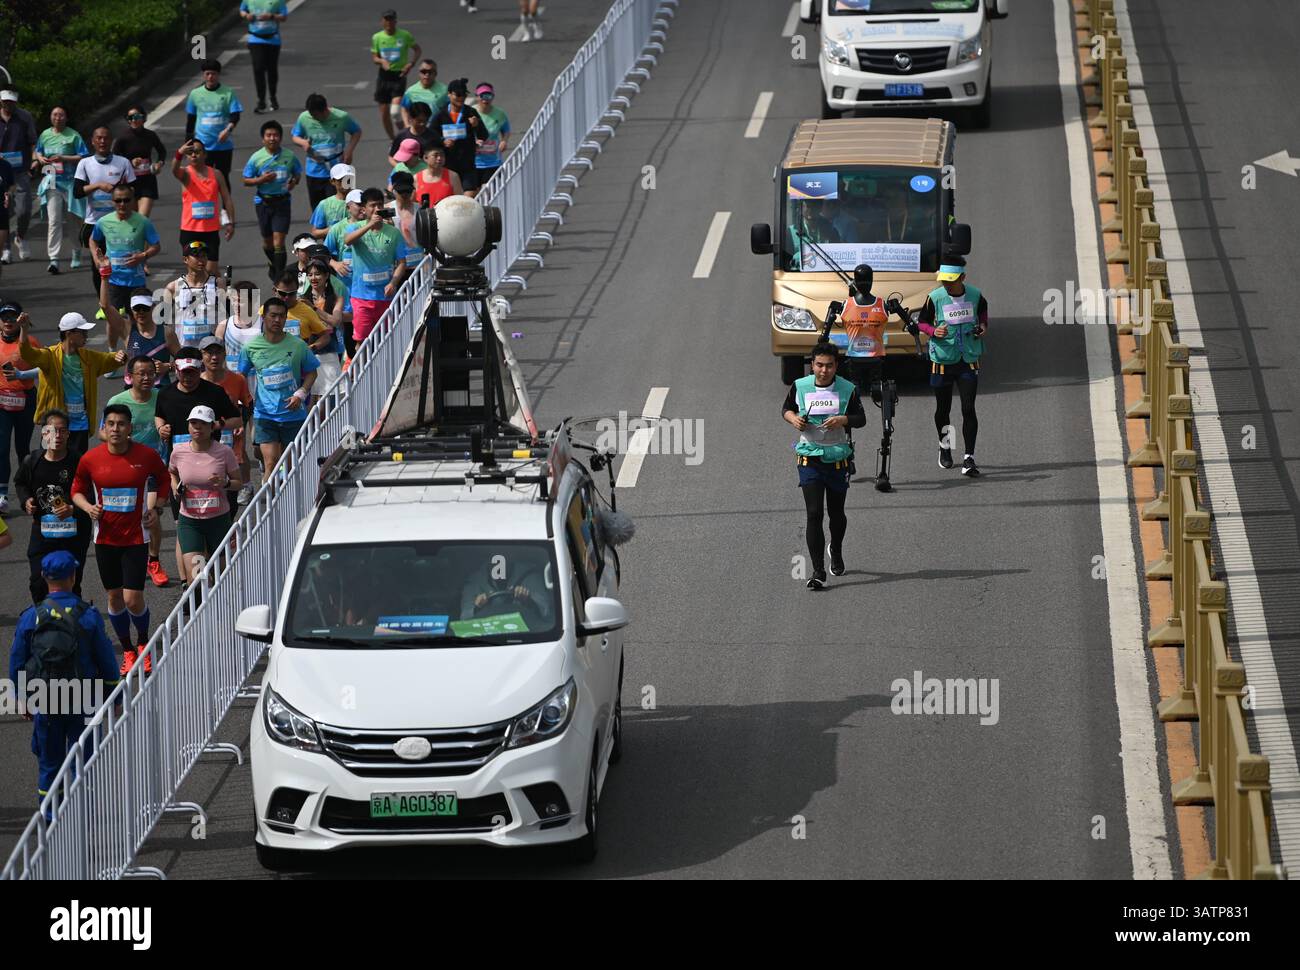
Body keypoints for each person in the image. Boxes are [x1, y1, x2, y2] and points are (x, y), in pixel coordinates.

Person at [8, 550, 120, 805]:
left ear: (45, 577)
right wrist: (115, 696)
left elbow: (16, 660)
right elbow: (107, 662)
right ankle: (82, 821)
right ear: (72, 576)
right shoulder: (88, 615)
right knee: (84, 764)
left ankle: (51, 824)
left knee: (49, 767)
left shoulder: (30, 616)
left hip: (45, 697)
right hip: (84, 698)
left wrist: (20, 697)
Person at [72, 403, 171, 674]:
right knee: (114, 597)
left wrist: (157, 507)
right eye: (111, 424)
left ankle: (143, 643)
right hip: (105, 539)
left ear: (130, 429)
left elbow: (163, 479)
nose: (116, 429)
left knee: (132, 599)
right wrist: (87, 507)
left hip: (136, 538)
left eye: (121, 424)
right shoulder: (90, 459)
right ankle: (127, 649)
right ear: (104, 428)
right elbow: (77, 490)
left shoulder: (146, 455)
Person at [782, 341, 866, 590]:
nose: (823, 370)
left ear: (836, 366)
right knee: (814, 513)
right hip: (809, 458)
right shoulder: (800, 386)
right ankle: (818, 571)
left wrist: (844, 419)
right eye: (819, 365)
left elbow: (861, 419)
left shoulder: (847, 389)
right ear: (812, 365)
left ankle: (836, 550)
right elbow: (786, 409)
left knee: (836, 513)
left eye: (829, 366)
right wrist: (794, 419)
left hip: (838, 458)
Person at [916, 257, 988, 477]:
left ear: (963, 278)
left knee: (968, 408)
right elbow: (921, 322)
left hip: (968, 359)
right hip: (943, 360)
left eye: (951, 281)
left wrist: (983, 328)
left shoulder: (976, 296)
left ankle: (969, 458)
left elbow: (983, 318)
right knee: (943, 409)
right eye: (944, 281)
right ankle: (946, 446)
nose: (946, 285)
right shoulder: (934, 298)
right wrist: (932, 331)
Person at [18, 310, 125, 454]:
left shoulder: (89, 357)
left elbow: (109, 359)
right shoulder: (50, 356)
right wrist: (24, 329)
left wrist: (120, 356)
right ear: (69, 334)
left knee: (77, 468)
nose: (86, 336)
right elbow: (27, 353)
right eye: (82, 332)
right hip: (53, 424)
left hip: (80, 425)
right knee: (49, 464)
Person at [14, 411, 93, 602]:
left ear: (68, 434)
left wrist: (73, 509)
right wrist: (26, 501)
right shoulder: (32, 461)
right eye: (52, 431)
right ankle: (44, 621)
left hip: (74, 533)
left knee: (71, 582)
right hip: (42, 532)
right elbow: (20, 483)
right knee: (38, 581)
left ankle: (73, 623)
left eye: (62, 431)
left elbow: (90, 492)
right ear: (43, 433)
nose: (56, 436)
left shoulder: (79, 462)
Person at [104, 356, 167, 583]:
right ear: (130, 376)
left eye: (151, 373)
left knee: (150, 515)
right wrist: (119, 438)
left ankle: (153, 560)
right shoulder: (118, 401)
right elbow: (103, 432)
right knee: (125, 517)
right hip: (126, 468)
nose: (147, 377)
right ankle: (127, 559)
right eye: (141, 373)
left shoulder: (163, 398)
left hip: (153, 468)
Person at [238, 296, 318, 471]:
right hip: (265, 414)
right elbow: (240, 376)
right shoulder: (250, 347)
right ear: (264, 317)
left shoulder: (298, 345)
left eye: (282, 316)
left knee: (291, 466)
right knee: (271, 464)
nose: (277, 320)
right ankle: (269, 498)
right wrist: (245, 401)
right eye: (273, 315)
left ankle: (290, 498)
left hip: (293, 414)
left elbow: (312, 371)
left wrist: (301, 393)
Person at [169, 405, 241, 585]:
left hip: (218, 521)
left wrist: (224, 483)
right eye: (193, 423)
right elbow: (172, 472)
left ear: (211, 427)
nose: (197, 427)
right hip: (191, 522)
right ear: (188, 426)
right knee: (199, 579)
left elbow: (239, 482)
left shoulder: (224, 452)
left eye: (203, 424)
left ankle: (223, 611)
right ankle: (200, 608)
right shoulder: (179, 451)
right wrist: (175, 486)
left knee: (222, 578)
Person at [71, 127, 136, 297]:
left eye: (106, 138)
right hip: (95, 224)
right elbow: (77, 192)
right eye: (98, 138)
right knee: (99, 266)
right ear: (92, 141)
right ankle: (104, 303)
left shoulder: (123, 163)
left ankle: (119, 302)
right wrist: (98, 185)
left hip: (120, 222)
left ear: (111, 141)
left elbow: (134, 190)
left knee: (120, 264)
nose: (102, 142)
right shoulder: (85, 164)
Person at [343, 187, 410, 346]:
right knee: (362, 341)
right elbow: (348, 241)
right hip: (361, 297)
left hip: (385, 297)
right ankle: (360, 369)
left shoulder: (393, 233)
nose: (377, 209)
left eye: (380, 205)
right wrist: (369, 225)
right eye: (372, 205)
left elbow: (402, 263)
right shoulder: (355, 228)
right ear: (364, 209)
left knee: (386, 341)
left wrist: (393, 282)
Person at [242, 119, 302, 283]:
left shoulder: (289, 156)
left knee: (279, 240)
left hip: (282, 202)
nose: (272, 138)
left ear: (280, 138)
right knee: (267, 242)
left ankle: (279, 276)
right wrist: (261, 179)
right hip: (263, 202)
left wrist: (294, 181)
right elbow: (246, 180)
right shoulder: (256, 158)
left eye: (275, 135)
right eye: (268, 135)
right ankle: (273, 264)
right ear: (263, 138)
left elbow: (297, 173)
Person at [89, 184, 161, 314]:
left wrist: (143, 256)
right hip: (113, 280)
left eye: (126, 200)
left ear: (133, 200)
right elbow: (93, 239)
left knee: (138, 319)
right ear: (113, 201)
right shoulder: (104, 221)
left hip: (136, 280)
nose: (122, 204)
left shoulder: (143, 222)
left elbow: (156, 246)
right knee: (112, 321)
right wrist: (96, 260)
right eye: (118, 200)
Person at [34, 106, 89, 274]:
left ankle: (76, 251)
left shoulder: (73, 135)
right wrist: (40, 159)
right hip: (51, 182)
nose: (58, 117)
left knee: (73, 220)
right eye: (55, 114)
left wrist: (64, 158)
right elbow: (37, 151)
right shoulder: (45, 135)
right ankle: (54, 259)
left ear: (66, 118)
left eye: (61, 115)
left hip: (71, 183)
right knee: (54, 221)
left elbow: (84, 156)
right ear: (51, 117)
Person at [199, 336, 253, 505]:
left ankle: (245, 484)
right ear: (202, 355)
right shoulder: (197, 381)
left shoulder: (237, 379)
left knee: (238, 458)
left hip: (231, 429)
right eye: (209, 353)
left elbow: (247, 404)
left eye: (218, 352)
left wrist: (242, 424)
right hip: (206, 431)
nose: (214, 357)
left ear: (224, 354)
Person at [172, 139, 236, 274]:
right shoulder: (185, 173)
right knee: (196, 270)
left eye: (197, 152)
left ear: (205, 154)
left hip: (210, 231)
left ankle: (222, 292)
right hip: (190, 230)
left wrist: (230, 222)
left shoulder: (216, 174)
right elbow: (174, 169)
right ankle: (214, 292)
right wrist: (179, 153)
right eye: (190, 153)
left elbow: (227, 199)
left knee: (211, 269)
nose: (194, 155)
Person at [0, 300, 40, 514]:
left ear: (19, 319)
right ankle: (2, 495)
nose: (7, 322)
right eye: (3, 317)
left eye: (11, 317)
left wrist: (22, 375)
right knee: (1, 447)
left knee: (23, 448)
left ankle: (27, 493)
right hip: (1, 401)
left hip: (24, 398)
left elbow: (43, 368)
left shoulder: (30, 341)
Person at [292, 94, 361, 211]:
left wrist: (349, 151)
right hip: (314, 170)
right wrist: (303, 143)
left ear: (325, 110)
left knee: (341, 208)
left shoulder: (341, 117)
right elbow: (295, 136)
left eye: (316, 115)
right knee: (318, 209)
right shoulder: (304, 118)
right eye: (312, 115)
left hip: (339, 170)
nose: (314, 118)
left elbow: (356, 131)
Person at [101, 283, 178, 386]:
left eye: (145, 308)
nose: (141, 312)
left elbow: (183, 362)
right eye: (137, 308)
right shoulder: (126, 329)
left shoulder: (166, 333)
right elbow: (105, 306)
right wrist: (104, 277)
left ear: (153, 307)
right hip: (134, 394)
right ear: (132, 309)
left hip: (160, 392)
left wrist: (167, 367)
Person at [185, 59, 242, 180]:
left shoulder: (228, 93)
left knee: (223, 178)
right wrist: (188, 144)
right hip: (203, 145)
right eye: (207, 73)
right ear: (203, 75)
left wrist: (228, 130)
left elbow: (235, 115)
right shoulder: (195, 94)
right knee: (203, 179)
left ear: (219, 74)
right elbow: (191, 119)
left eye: (214, 73)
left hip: (223, 145)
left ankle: (226, 199)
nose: (210, 77)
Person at [371, 10, 423, 141]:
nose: (389, 22)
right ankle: (393, 140)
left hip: (399, 76)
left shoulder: (404, 35)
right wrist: (382, 61)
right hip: (383, 77)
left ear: (395, 21)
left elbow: (417, 49)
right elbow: (374, 57)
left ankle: (406, 134)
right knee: (384, 113)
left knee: (394, 112)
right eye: (386, 19)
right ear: (382, 21)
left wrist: (411, 63)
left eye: (391, 19)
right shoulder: (377, 37)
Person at [0, 89, 37, 263]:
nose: (9, 104)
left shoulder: (25, 117)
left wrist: (33, 162)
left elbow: (32, 142)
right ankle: (6, 249)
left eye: (12, 101)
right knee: (3, 211)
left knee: (24, 209)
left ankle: (20, 237)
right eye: (6, 101)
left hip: (20, 170)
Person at [165, 240, 224, 349]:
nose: (201, 260)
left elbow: (225, 316)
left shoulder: (218, 284)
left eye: (204, 256)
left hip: (210, 347)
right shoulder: (173, 287)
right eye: (197, 256)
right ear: (185, 259)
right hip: (184, 347)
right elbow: (164, 323)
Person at [434, 79, 487, 196]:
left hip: (467, 163)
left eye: (464, 94)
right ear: (449, 94)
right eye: (458, 94)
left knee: (470, 196)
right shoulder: (441, 114)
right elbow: (431, 135)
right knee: (450, 199)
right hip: (448, 164)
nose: (461, 98)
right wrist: (443, 141)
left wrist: (477, 125)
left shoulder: (470, 112)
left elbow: (484, 135)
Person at [111, 107, 166, 219]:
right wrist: (129, 162)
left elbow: (162, 151)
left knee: (143, 218)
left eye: (136, 117)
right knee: (132, 219)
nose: (133, 120)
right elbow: (114, 158)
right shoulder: (123, 137)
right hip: (129, 183)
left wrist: (159, 163)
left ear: (143, 118)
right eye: (130, 118)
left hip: (147, 181)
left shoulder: (150, 135)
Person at [304, 259, 348, 391]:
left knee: (330, 398)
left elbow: (336, 321)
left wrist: (314, 308)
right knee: (311, 399)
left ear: (326, 276)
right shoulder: (302, 299)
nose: (313, 278)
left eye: (317, 274)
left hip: (330, 353)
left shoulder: (336, 298)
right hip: (308, 353)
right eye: (310, 274)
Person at [241, 0, 289, 113]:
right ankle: (261, 100)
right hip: (255, 39)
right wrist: (247, 15)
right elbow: (242, 10)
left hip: (273, 39)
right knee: (258, 68)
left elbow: (284, 16)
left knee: (271, 70)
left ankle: (273, 97)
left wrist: (271, 16)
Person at [472, 83, 511, 187]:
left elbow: (506, 130)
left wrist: (504, 141)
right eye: (482, 96)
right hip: (474, 162)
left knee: (489, 191)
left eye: (489, 96)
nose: (485, 99)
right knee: (474, 194)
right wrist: (473, 141)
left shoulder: (500, 114)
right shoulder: (470, 112)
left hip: (493, 161)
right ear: (476, 97)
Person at [216, 279, 263, 361]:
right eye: (234, 300)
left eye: (241, 301)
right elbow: (218, 356)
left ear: (254, 301)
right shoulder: (223, 327)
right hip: (231, 373)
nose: (236, 305)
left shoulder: (265, 325)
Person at [308, 163, 354, 240]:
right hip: (332, 250)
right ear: (332, 181)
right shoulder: (324, 204)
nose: (345, 183)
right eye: (340, 180)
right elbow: (315, 233)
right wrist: (335, 229)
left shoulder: (361, 200)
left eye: (348, 179)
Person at [401, 59, 448, 129]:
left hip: (436, 130)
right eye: (423, 71)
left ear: (435, 74)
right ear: (419, 73)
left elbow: (451, 108)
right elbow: (404, 108)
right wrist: (407, 124)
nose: (427, 75)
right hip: (418, 129)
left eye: (430, 72)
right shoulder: (411, 91)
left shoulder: (444, 90)